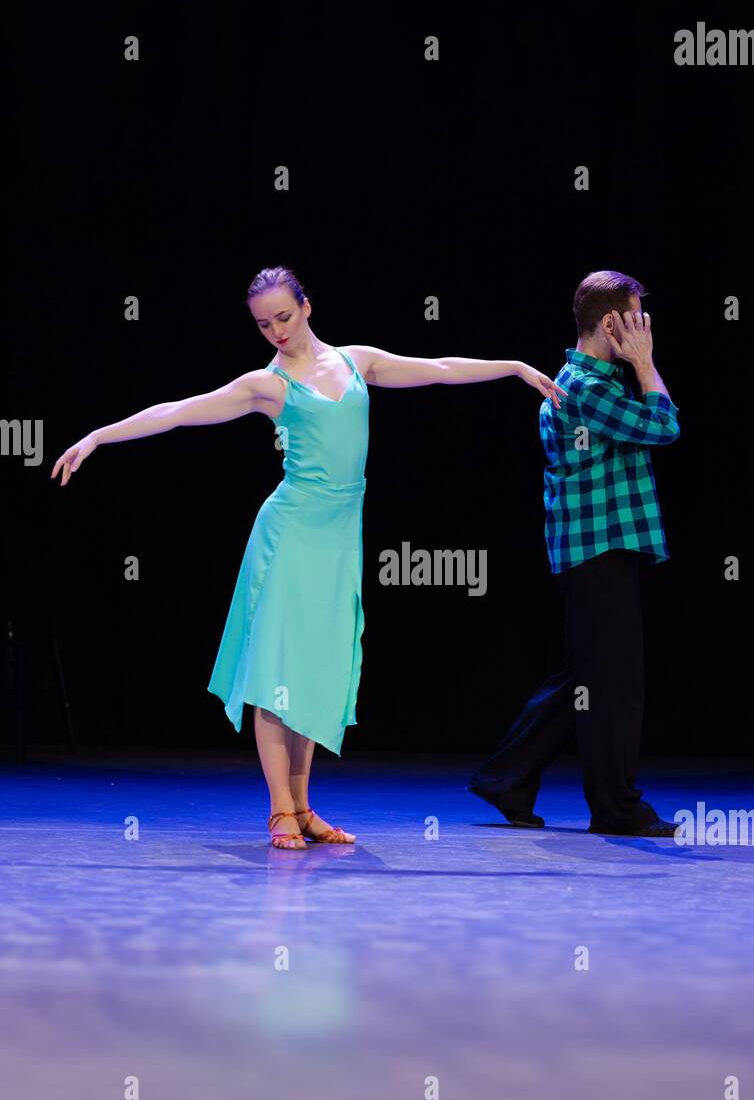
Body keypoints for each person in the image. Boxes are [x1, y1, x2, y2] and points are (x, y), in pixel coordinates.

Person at [51, 264, 565, 849]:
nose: (276, 331)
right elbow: (178, 410)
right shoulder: (266, 385)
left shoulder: (356, 361)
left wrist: (517, 368)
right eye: (264, 324)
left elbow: (441, 371)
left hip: (341, 534)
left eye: (285, 317)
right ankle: (279, 811)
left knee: (315, 670)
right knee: (278, 670)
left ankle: (302, 805)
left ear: (307, 307)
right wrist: (97, 436)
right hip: (290, 533)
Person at [467, 269, 681, 836]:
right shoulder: (588, 389)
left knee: (584, 678)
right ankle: (616, 807)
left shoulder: (583, 382)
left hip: (594, 551)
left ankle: (505, 778)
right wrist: (644, 362)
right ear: (611, 322)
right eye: (636, 318)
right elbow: (665, 427)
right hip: (598, 551)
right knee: (615, 688)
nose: (643, 329)